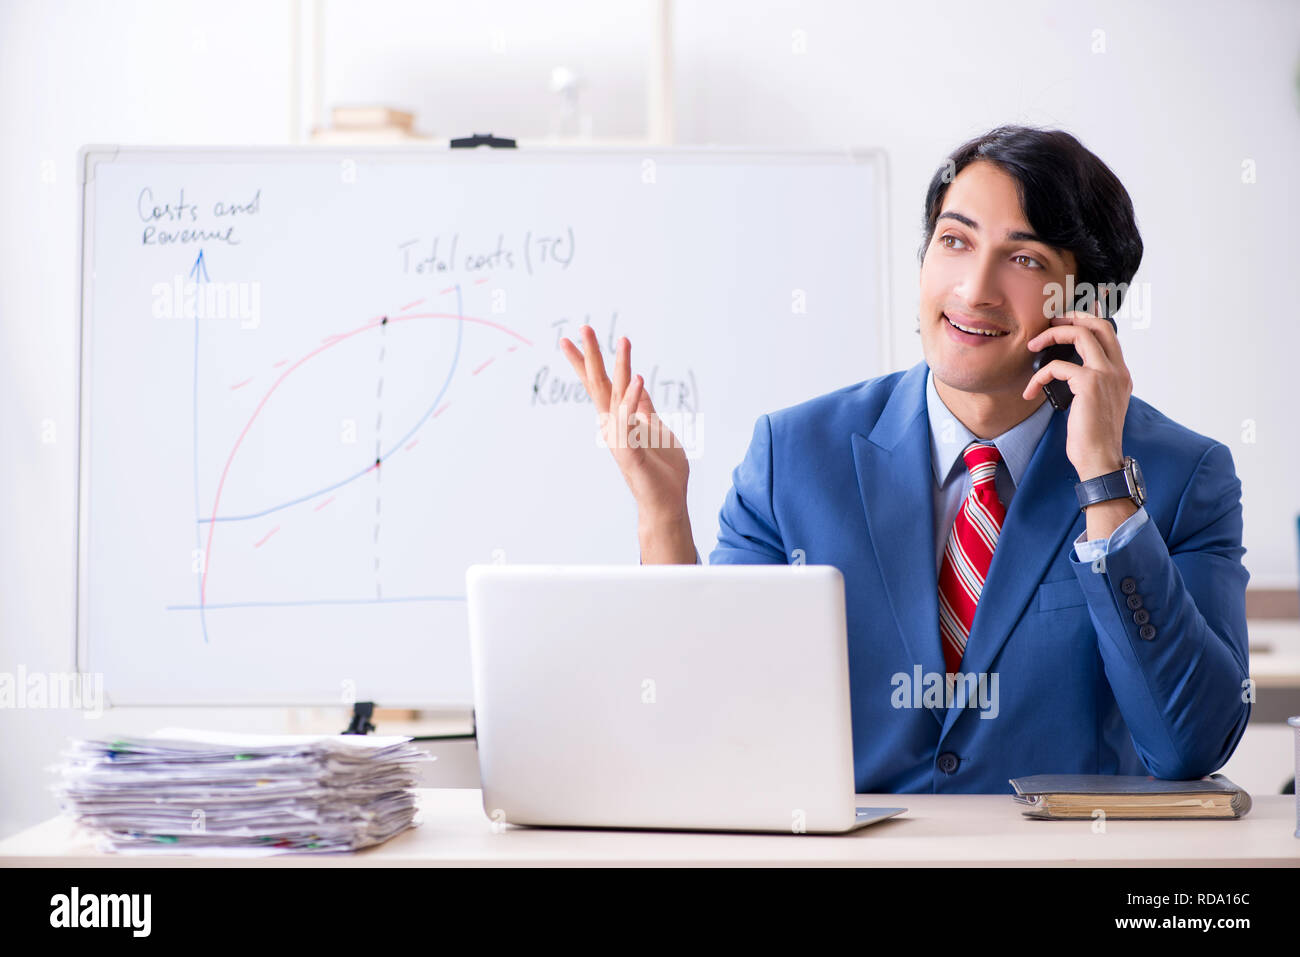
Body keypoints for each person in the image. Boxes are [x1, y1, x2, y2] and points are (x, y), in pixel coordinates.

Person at [560, 125, 1250, 794]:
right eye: (954, 241)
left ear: (1087, 306)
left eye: (1024, 258)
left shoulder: (1184, 477)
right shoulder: (793, 458)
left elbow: (1187, 745)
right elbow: (701, 724)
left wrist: (1104, 483)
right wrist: (661, 515)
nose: (974, 288)